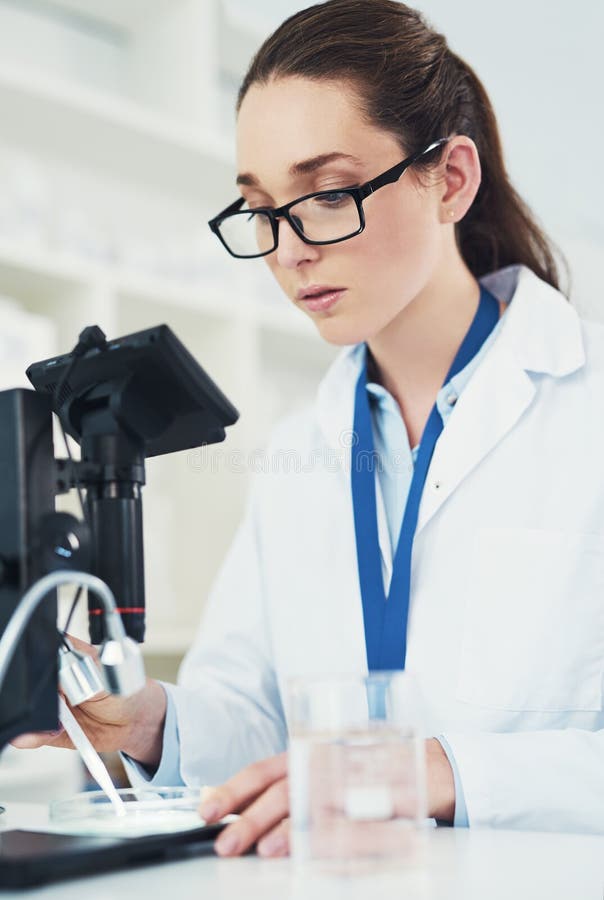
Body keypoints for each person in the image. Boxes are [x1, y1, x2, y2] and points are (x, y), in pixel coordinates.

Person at [14, 0, 604, 856]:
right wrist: (143, 723)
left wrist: (441, 770)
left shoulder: (583, 411)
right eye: (260, 208)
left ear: (450, 179)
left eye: (326, 194)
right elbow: (253, 719)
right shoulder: (300, 448)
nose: (289, 250)